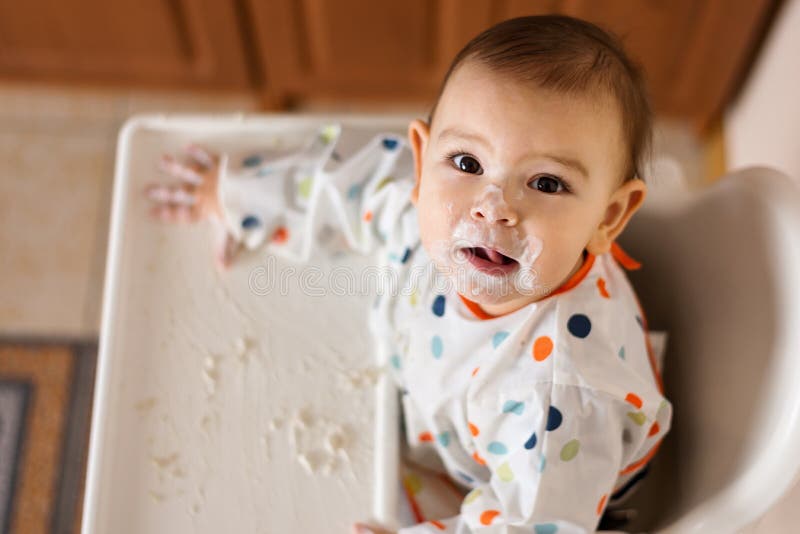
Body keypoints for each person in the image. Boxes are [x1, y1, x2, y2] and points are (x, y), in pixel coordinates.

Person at [146, 15, 671, 534]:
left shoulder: (559, 399)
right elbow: (346, 181)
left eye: (547, 183)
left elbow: (529, 524)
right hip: (438, 404)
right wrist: (235, 194)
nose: (493, 207)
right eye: (467, 163)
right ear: (423, 162)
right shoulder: (428, 205)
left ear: (608, 217)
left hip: (527, 486)